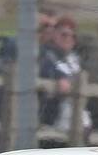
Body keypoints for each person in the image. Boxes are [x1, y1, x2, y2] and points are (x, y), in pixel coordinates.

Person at [38, 15, 89, 146]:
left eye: (72, 36)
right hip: (54, 118)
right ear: (54, 35)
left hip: (78, 119)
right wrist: (60, 76)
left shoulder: (75, 59)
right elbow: (45, 70)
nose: (68, 39)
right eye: (64, 35)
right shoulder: (46, 54)